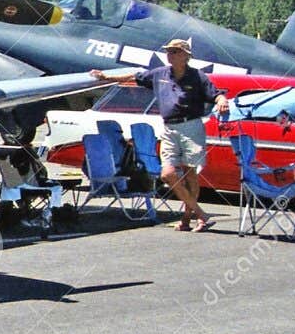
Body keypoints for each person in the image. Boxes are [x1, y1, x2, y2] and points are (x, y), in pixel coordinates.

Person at [89, 39, 229, 231]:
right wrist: (106, 77)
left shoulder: (198, 77)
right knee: (167, 173)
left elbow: (215, 94)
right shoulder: (160, 74)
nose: (170, 54)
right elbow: (135, 77)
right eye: (169, 51)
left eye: (175, 51)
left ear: (186, 56)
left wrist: (222, 100)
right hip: (169, 128)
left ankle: (188, 219)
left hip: (191, 127)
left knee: (190, 174)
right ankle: (201, 214)